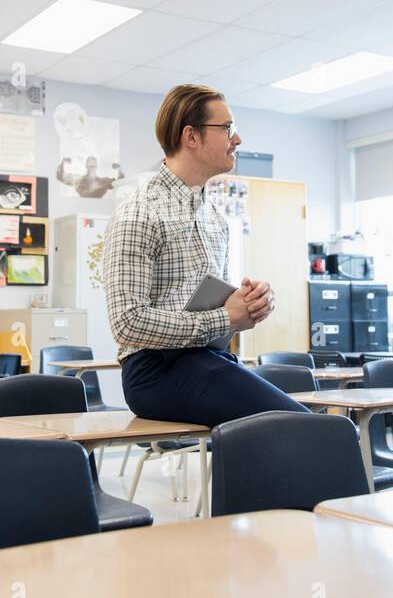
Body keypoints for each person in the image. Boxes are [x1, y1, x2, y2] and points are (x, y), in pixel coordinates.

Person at [103, 84, 309, 426]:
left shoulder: (214, 217)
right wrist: (227, 318)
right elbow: (127, 323)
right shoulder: (139, 213)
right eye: (227, 128)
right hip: (155, 372)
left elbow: (218, 308)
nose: (237, 139)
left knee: (294, 427)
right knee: (301, 427)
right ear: (191, 136)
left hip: (206, 360)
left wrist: (249, 304)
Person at [56, 155, 125, 198]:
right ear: (86, 165)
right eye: (90, 164)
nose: (92, 165)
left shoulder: (104, 181)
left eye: (93, 164)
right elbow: (61, 177)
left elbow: (120, 182)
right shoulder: (78, 180)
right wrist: (63, 163)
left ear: (96, 166)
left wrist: (119, 169)